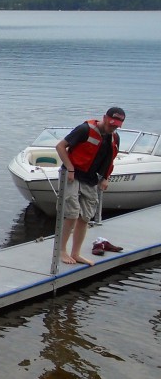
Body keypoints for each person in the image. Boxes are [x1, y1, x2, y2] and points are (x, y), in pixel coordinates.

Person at [55, 107, 124, 265]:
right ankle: (62, 251)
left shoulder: (115, 138)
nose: (112, 127)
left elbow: (110, 160)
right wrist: (70, 168)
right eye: (111, 123)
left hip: (90, 178)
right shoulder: (84, 129)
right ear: (104, 118)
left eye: (116, 126)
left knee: (85, 217)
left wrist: (106, 178)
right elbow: (60, 147)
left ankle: (76, 253)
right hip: (72, 174)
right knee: (72, 214)